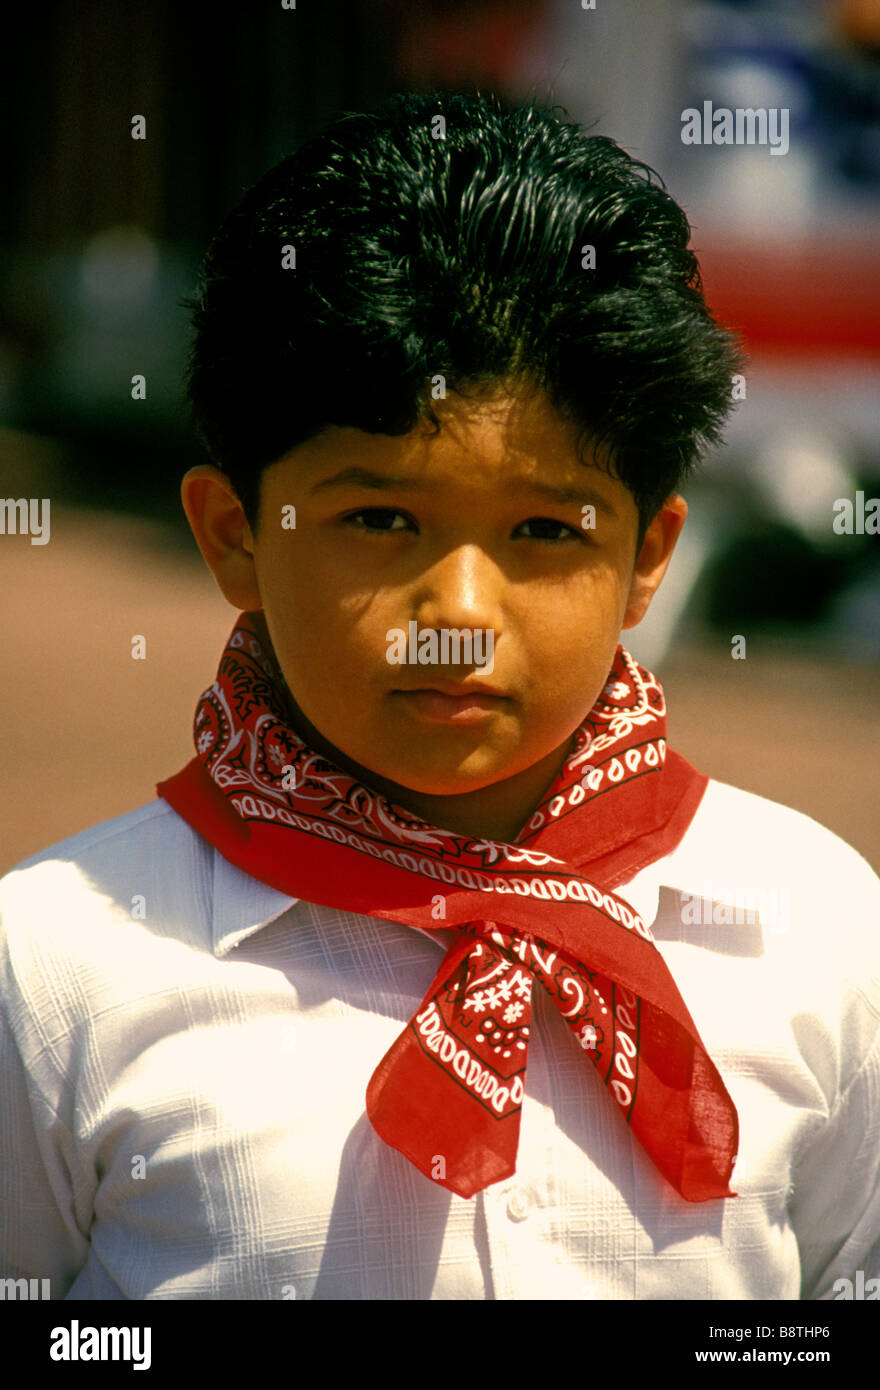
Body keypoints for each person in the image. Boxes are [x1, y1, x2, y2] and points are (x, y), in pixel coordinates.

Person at [2, 90, 878, 1302]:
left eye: (540, 528)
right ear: (234, 532)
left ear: (646, 558)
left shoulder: (818, 928)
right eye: (378, 519)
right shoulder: (56, 969)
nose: (459, 610)